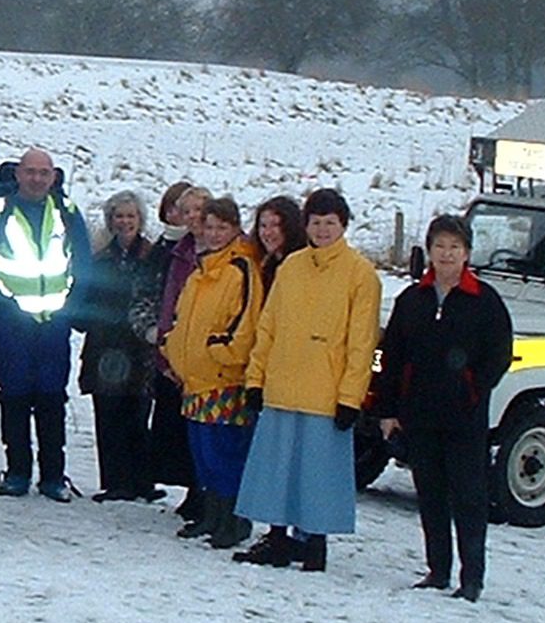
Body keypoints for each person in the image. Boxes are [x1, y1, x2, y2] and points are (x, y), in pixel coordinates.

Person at [233, 189, 381, 572]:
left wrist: (350, 397)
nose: (323, 230)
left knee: (318, 475)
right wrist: (255, 379)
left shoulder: (360, 274)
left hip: (325, 395)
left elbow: (361, 343)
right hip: (282, 386)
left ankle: (314, 543)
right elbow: (268, 327)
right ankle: (277, 538)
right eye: (316, 223)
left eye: (330, 223)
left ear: (343, 225)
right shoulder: (291, 267)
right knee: (277, 469)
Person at [369, 215, 514, 601]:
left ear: (467, 253)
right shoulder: (411, 300)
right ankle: (438, 570)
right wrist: (387, 409)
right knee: (430, 495)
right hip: (419, 416)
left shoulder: (485, 301)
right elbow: (389, 356)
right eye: (440, 246)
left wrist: (472, 388)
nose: (446, 254)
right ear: (429, 251)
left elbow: (499, 354)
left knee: (468, 498)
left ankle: (472, 578)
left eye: (454, 247)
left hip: (465, 419)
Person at [0, 146, 92, 501]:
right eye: (31, 172)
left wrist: (71, 307)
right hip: (12, 324)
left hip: (54, 323)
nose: (37, 179)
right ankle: (17, 472)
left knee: (52, 398)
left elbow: (84, 263)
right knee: (14, 396)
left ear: (53, 177)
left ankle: (53, 476)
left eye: (44, 173)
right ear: (19, 174)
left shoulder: (67, 212)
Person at [164, 197, 262, 550]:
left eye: (223, 227)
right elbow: (182, 318)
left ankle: (233, 520)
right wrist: (173, 350)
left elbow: (244, 324)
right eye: (210, 227)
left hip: (223, 379)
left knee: (224, 455)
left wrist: (221, 353)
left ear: (235, 229)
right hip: (195, 380)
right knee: (203, 455)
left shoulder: (241, 269)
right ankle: (211, 513)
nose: (215, 234)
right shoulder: (201, 270)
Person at [74, 188, 160, 503]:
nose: (125, 222)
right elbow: (84, 302)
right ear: (110, 221)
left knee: (138, 415)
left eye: (130, 216)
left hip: (140, 348)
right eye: (119, 216)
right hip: (106, 347)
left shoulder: (153, 256)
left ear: (140, 219)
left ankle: (143, 482)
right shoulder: (99, 259)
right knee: (109, 416)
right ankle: (115, 482)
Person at [149, 181, 208, 521]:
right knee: (182, 429)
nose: (193, 217)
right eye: (187, 211)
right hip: (176, 349)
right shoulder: (179, 250)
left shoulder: (226, 250)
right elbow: (168, 299)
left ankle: (209, 498)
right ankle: (193, 490)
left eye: (199, 210)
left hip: (208, 356)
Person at [252, 194, 307, 295]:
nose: (267, 232)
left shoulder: (303, 265)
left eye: (275, 225)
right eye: (263, 226)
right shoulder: (265, 266)